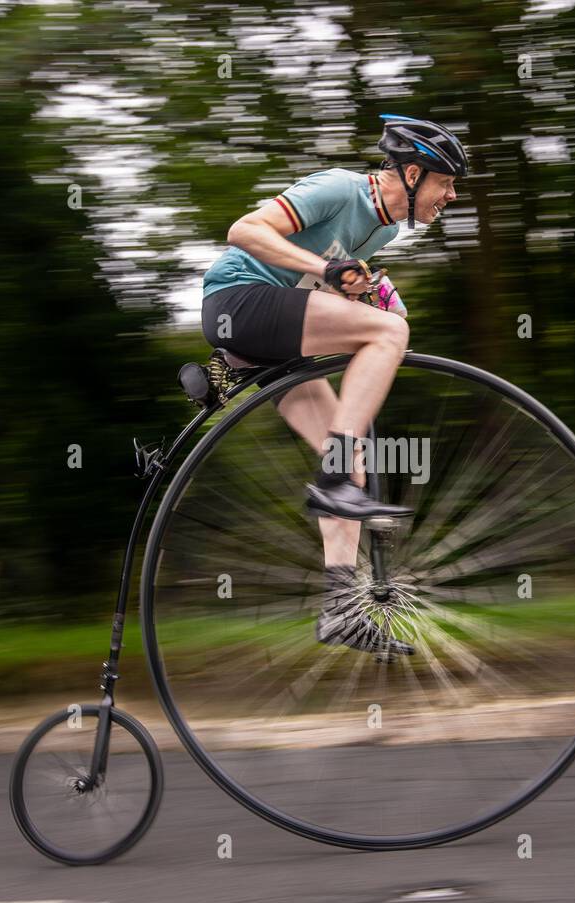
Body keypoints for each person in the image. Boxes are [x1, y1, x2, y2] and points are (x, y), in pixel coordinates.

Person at [200, 114, 469, 655]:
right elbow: (244, 232)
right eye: (447, 183)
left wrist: (364, 289)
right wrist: (333, 275)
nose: (453, 196)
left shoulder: (386, 228)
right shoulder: (339, 187)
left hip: (269, 336)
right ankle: (332, 480)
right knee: (389, 335)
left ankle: (341, 609)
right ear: (413, 174)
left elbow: (336, 280)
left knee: (351, 462)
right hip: (238, 303)